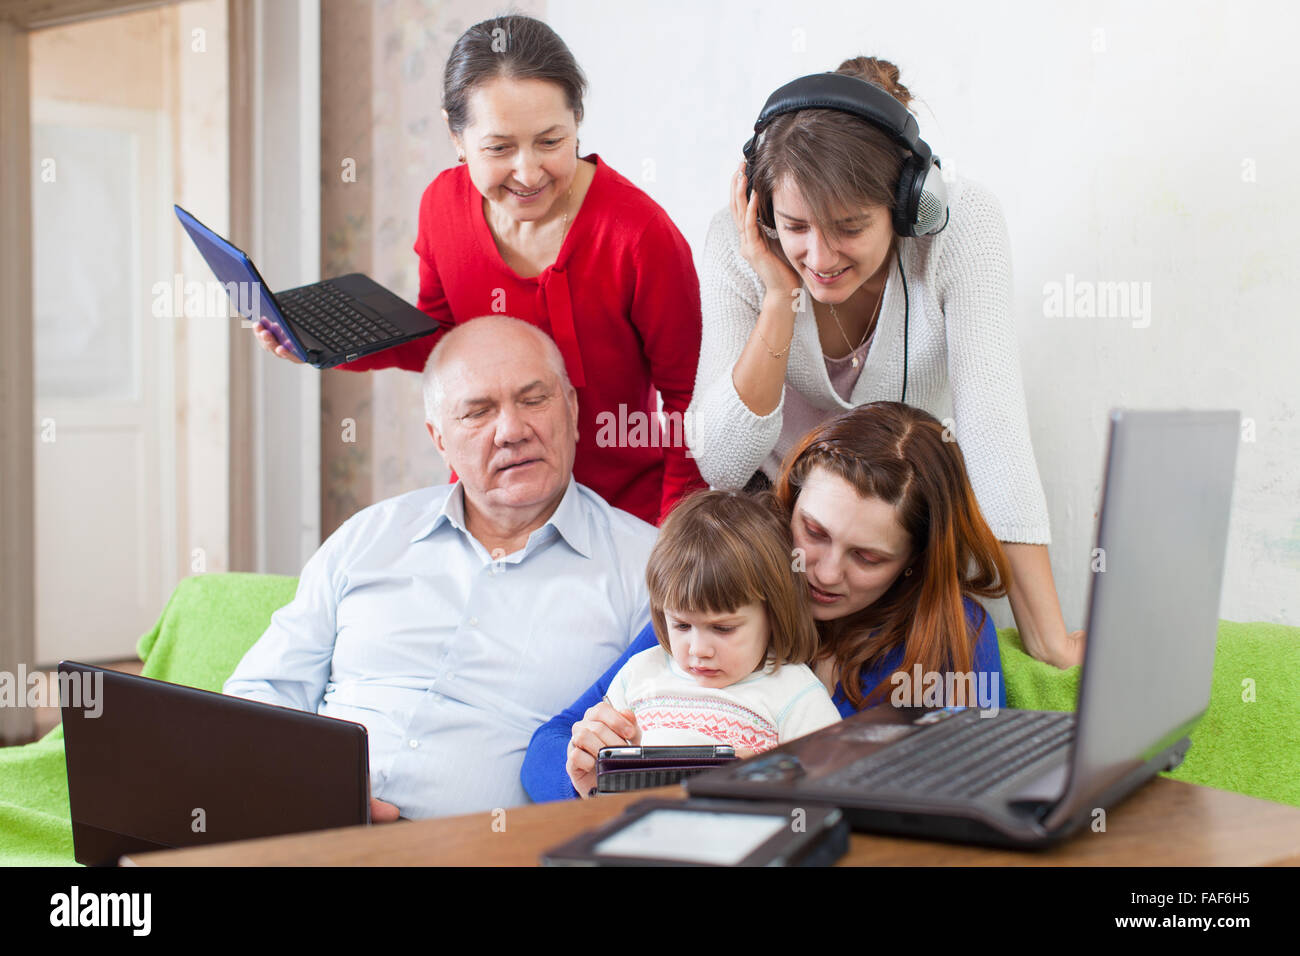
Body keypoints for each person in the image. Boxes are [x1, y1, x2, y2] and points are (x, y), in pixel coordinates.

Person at [686, 56, 1084, 668]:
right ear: (763, 208)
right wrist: (776, 297)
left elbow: (995, 436)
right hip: (785, 529)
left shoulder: (959, 228)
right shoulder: (738, 243)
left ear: (906, 206)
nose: (819, 257)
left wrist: (1049, 637)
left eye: (849, 227)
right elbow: (723, 461)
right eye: (796, 225)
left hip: (892, 535)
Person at [255, 14, 705, 526]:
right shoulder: (442, 208)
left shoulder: (639, 234)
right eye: (499, 148)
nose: (529, 172)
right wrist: (324, 343)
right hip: (491, 507)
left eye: (551, 141)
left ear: (578, 119)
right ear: (456, 136)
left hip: (623, 512)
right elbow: (441, 341)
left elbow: (688, 397)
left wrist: (676, 528)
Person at [224, 315, 658, 820]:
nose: (512, 431)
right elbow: (262, 690)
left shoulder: (647, 568)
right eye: (478, 412)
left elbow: (654, 749)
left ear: (573, 409)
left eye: (534, 399)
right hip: (315, 831)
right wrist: (305, 785)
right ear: (439, 439)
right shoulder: (370, 535)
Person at [523, 401, 1008, 802]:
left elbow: (989, 791)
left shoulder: (954, 635)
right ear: (789, 502)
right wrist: (589, 777)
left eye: (867, 557)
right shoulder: (719, 596)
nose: (824, 571)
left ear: (914, 561)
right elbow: (547, 747)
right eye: (813, 531)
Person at [565, 489, 841, 797]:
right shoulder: (639, 675)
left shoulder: (794, 692)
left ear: (773, 615)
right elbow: (604, 789)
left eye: (723, 628)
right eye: (681, 624)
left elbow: (833, 789)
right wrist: (589, 783)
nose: (698, 650)